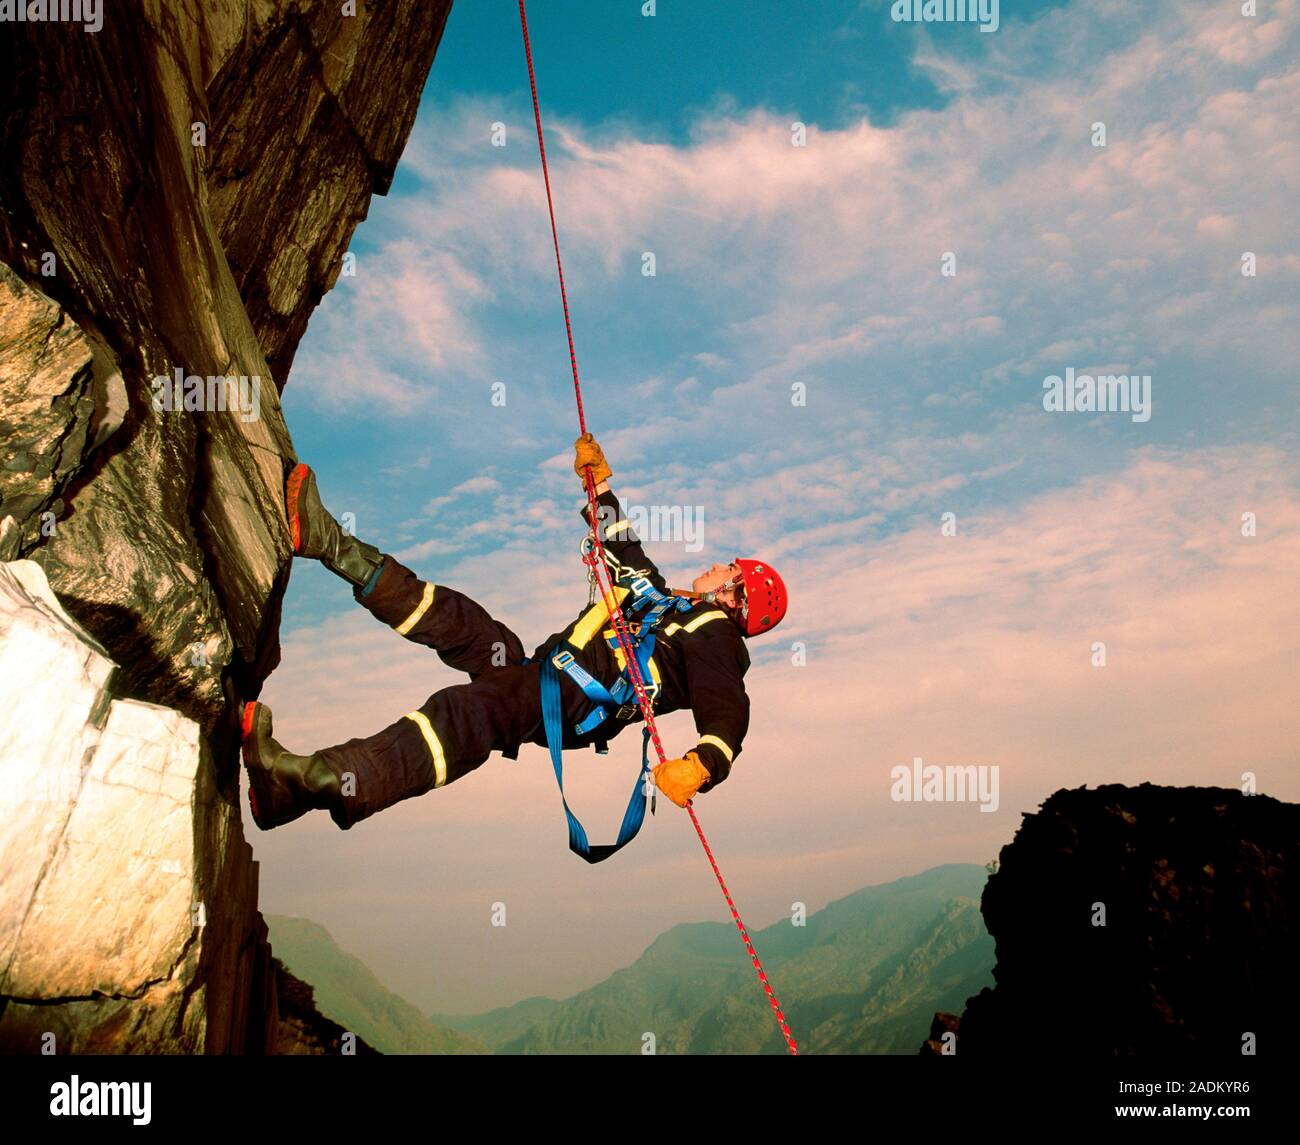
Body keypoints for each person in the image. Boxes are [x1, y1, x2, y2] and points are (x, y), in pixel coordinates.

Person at [241, 433, 788, 835]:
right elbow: (623, 549)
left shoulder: (714, 635)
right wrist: (600, 487)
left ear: (734, 597)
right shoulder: (663, 602)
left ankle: (310, 776)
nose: (718, 565)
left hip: (570, 700)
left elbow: (728, 710)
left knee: (468, 714)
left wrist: (704, 763)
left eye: (729, 570)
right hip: (545, 676)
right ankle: (328, 543)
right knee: (467, 625)